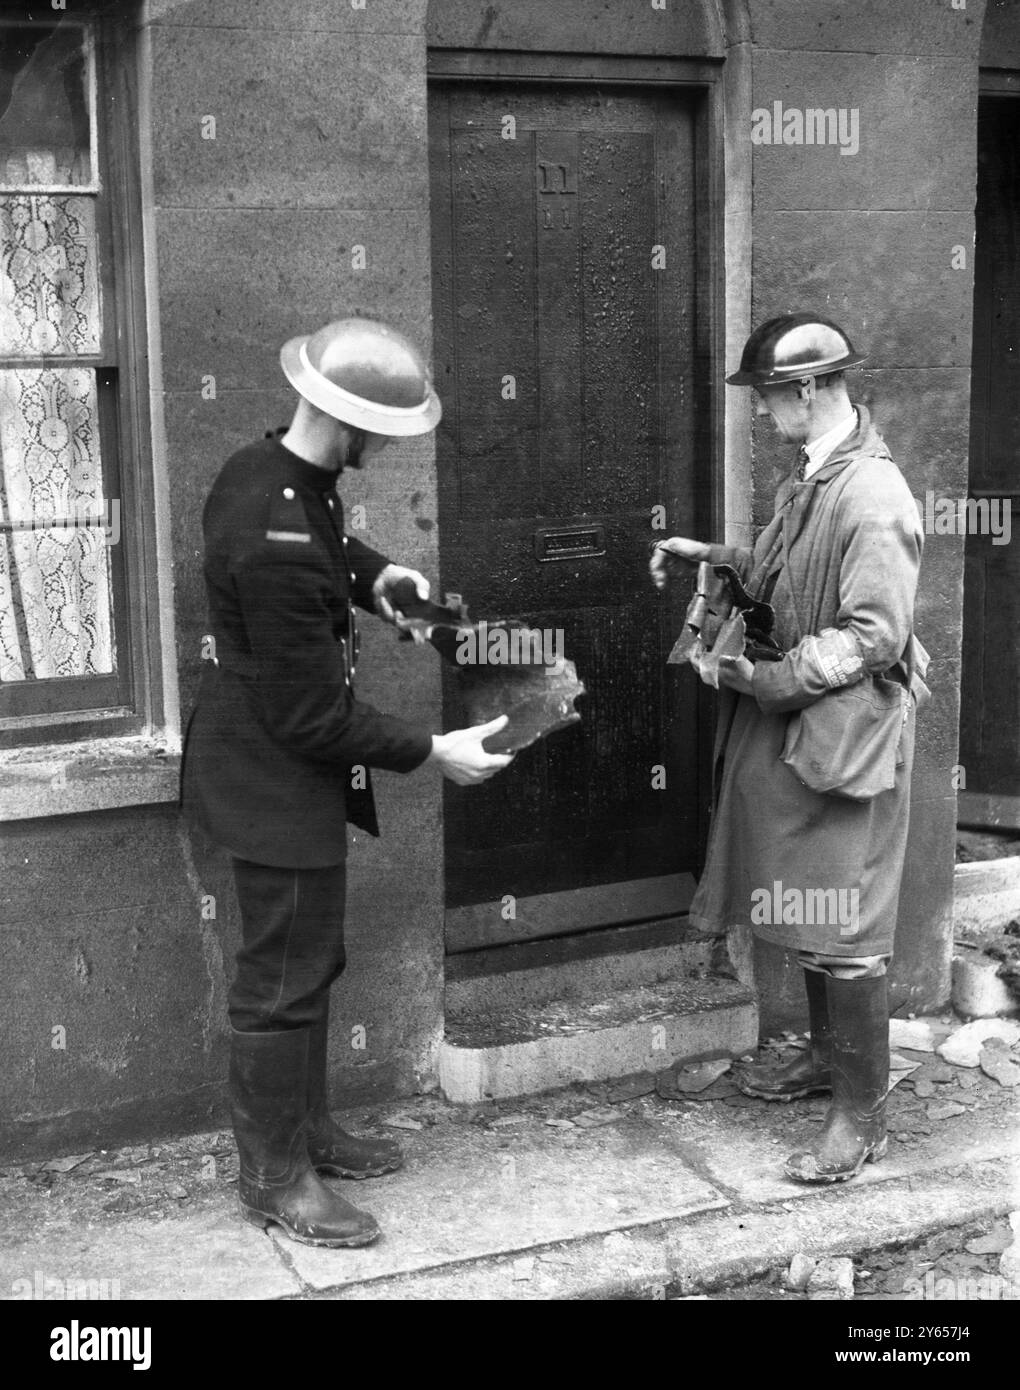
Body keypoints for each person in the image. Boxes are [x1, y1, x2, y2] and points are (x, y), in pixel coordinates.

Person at [181, 317, 512, 1247]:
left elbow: (323, 547)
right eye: (382, 431)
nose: (384, 447)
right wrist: (435, 750)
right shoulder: (274, 526)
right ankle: (274, 1177)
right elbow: (312, 717)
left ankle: (308, 1130)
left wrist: (377, 578)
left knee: (310, 960)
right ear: (346, 419)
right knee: (280, 978)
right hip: (271, 777)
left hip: (283, 770)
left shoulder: (272, 471)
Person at [651, 313, 928, 1184]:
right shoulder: (814, 477)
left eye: (768, 397)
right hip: (809, 731)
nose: (764, 414)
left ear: (807, 390)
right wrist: (720, 556)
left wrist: (773, 680)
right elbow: (788, 572)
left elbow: (874, 636)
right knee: (811, 903)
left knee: (846, 920)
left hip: (845, 736)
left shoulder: (873, 496)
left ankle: (863, 1116)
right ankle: (823, 1059)